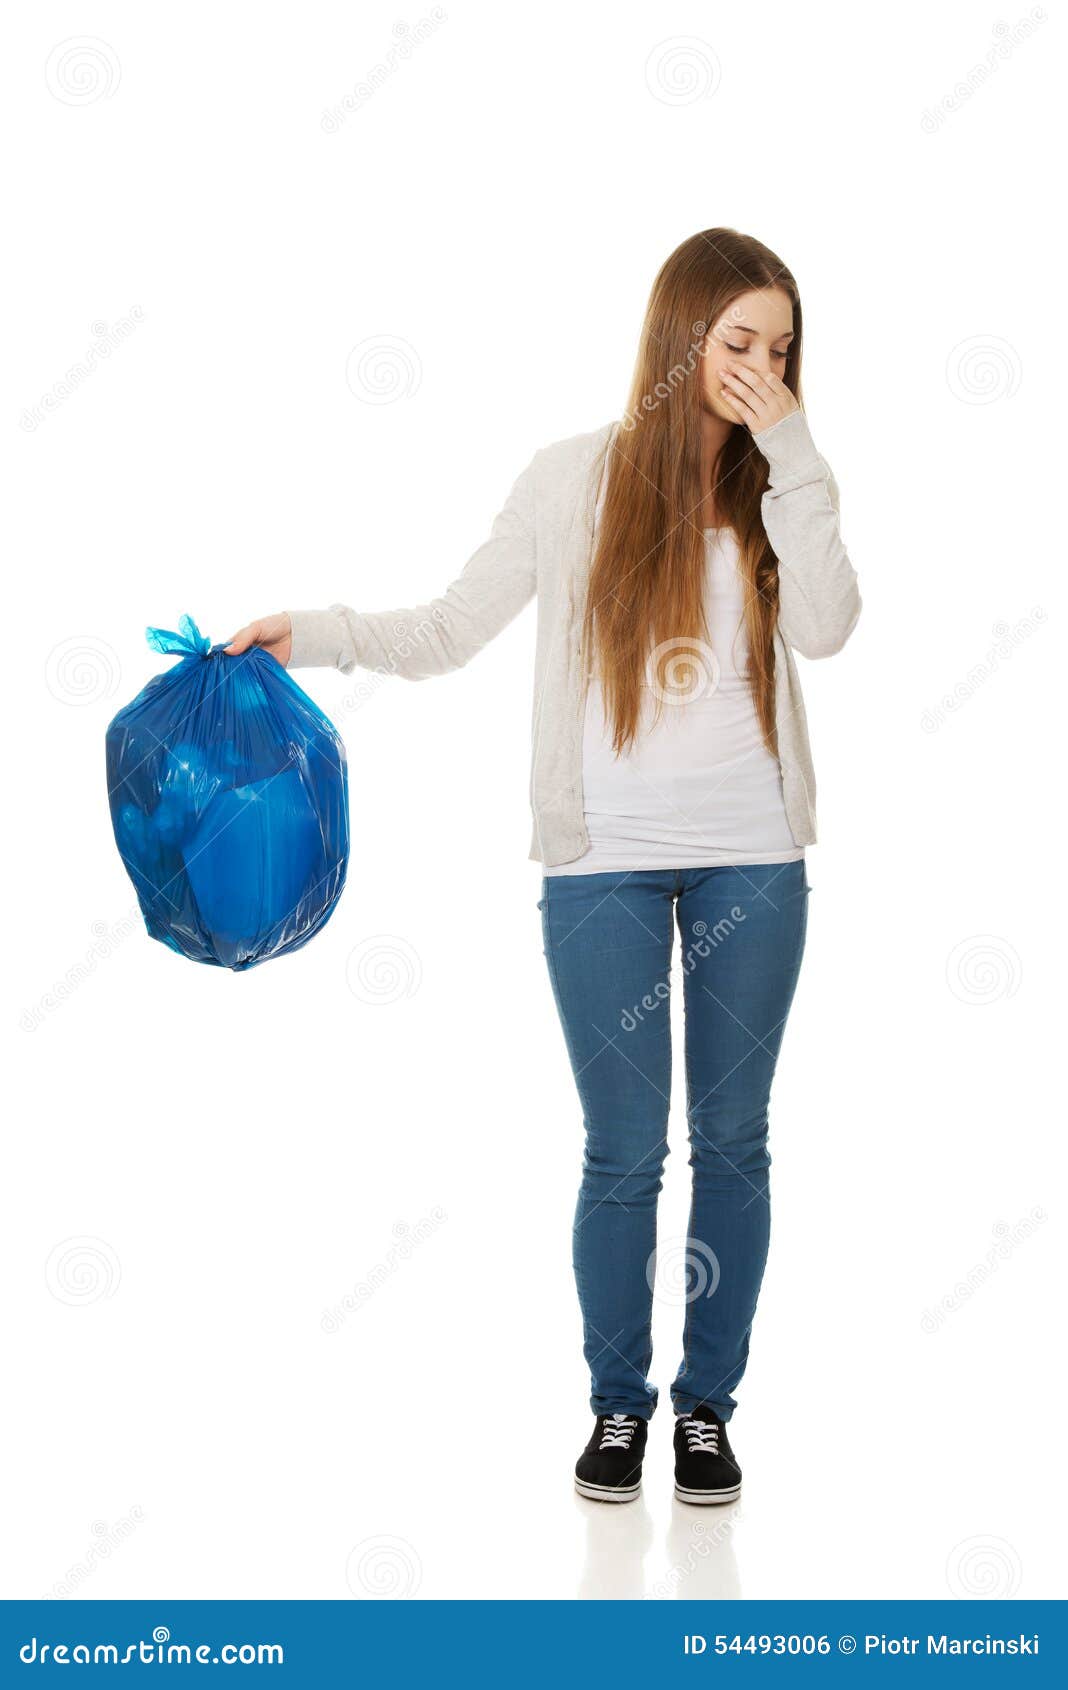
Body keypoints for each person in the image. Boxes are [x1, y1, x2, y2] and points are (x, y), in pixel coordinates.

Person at [226, 227, 861, 1506]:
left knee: (734, 1142)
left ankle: (707, 1411)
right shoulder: (572, 480)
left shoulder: (779, 488)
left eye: (782, 351)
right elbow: (453, 626)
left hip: (754, 863)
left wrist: (796, 452)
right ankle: (618, 1407)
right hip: (602, 867)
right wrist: (316, 635)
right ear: (680, 335)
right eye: (740, 343)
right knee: (624, 1150)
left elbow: (837, 629)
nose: (761, 371)